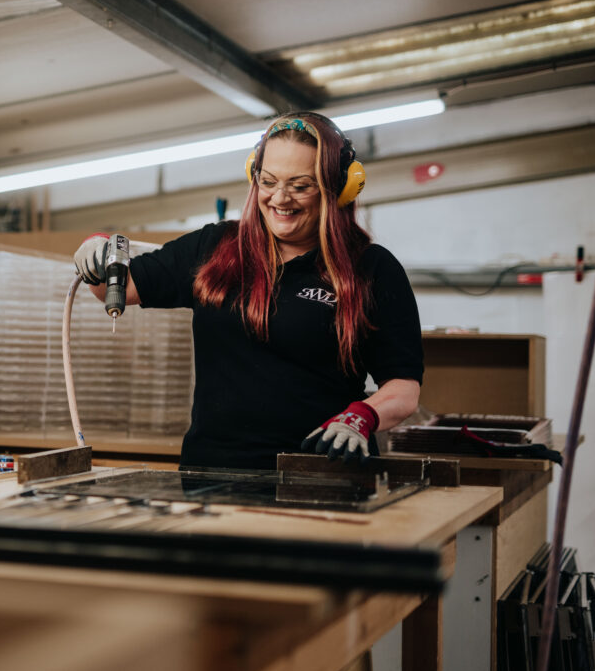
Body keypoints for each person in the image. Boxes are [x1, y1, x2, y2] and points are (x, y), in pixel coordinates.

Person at [73, 111, 423, 470]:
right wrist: (98, 253)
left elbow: (403, 388)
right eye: (268, 181)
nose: (280, 198)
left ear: (340, 187)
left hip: (318, 477)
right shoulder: (215, 247)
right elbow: (119, 288)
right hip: (211, 479)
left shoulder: (371, 269)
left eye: (300, 186)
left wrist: (362, 416)